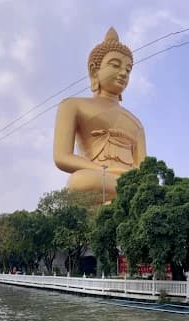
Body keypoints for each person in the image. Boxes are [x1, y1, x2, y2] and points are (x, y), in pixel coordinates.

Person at [53, 27, 147, 203]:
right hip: (99, 178)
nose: (123, 73)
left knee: (151, 188)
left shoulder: (136, 124)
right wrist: (104, 170)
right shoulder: (72, 105)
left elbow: (145, 170)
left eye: (128, 69)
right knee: (78, 181)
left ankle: (130, 195)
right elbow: (62, 157)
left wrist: (133, 179)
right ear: (94, 70)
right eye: (115, 65)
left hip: (129, 183)